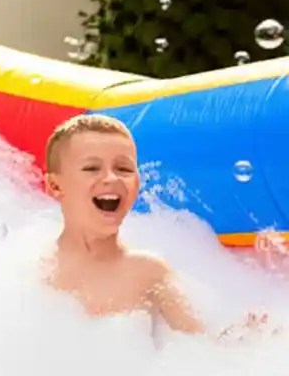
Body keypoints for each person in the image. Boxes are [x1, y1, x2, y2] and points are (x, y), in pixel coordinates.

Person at [41, 114, 205, 333]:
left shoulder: (149, 273)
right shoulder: (27, 268)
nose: (111, 178)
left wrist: (244, 339)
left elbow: (203, 348)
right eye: (91, 168)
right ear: (55, 186)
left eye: (124, 169)